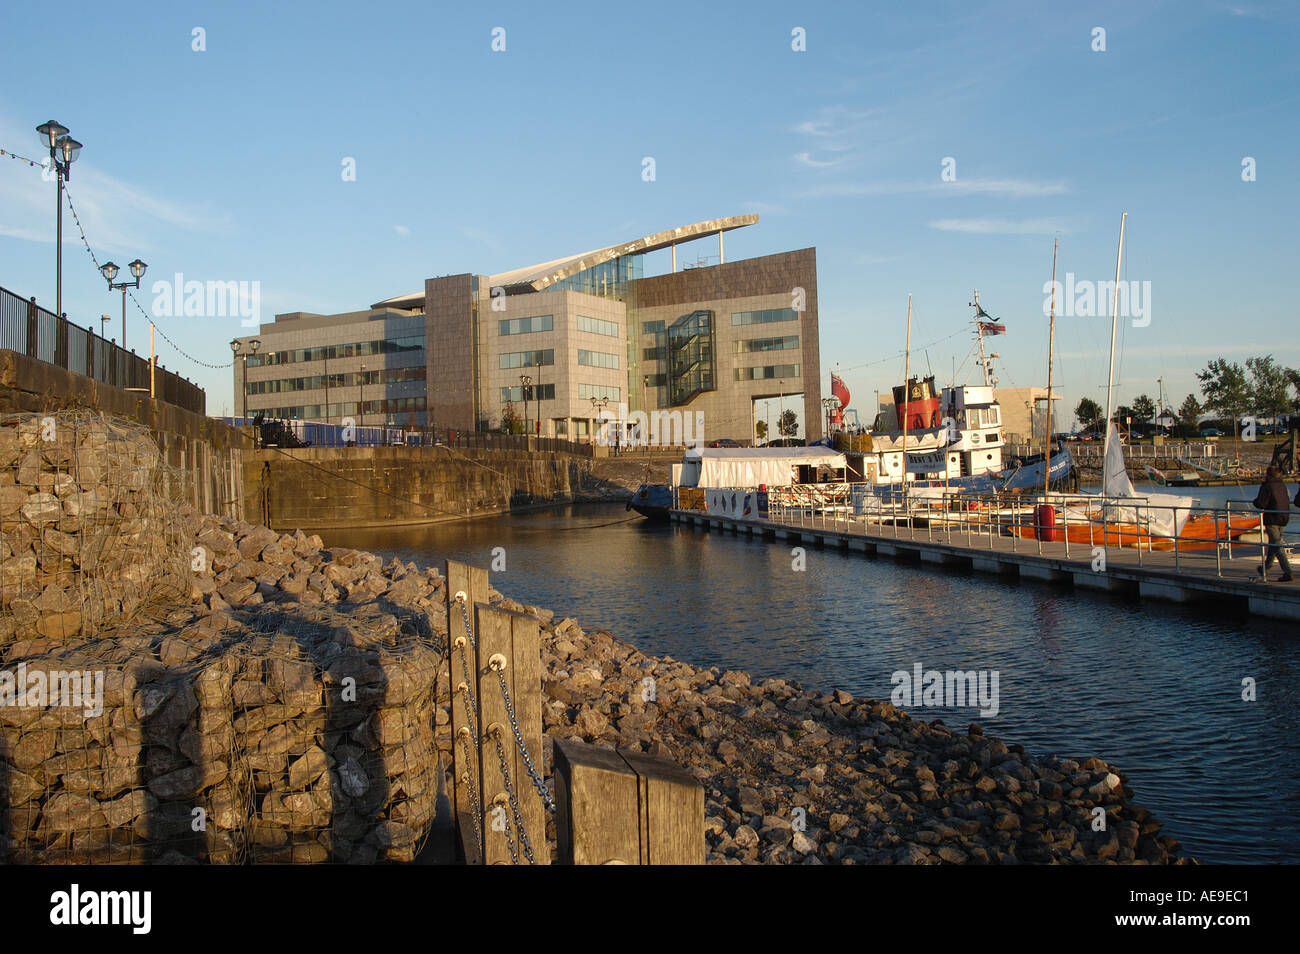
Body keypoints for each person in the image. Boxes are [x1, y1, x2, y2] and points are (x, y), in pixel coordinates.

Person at [1252, 465, 1294, 581]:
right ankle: (1265, 568)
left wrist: (1255, 502)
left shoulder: (1267, 486)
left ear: (1268, 474)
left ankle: (1288, 572)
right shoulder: (1282, 485)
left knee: (1277, 545)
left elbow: (1262, 503)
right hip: (1284, 517)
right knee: (1274, 543)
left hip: (1272, 518)